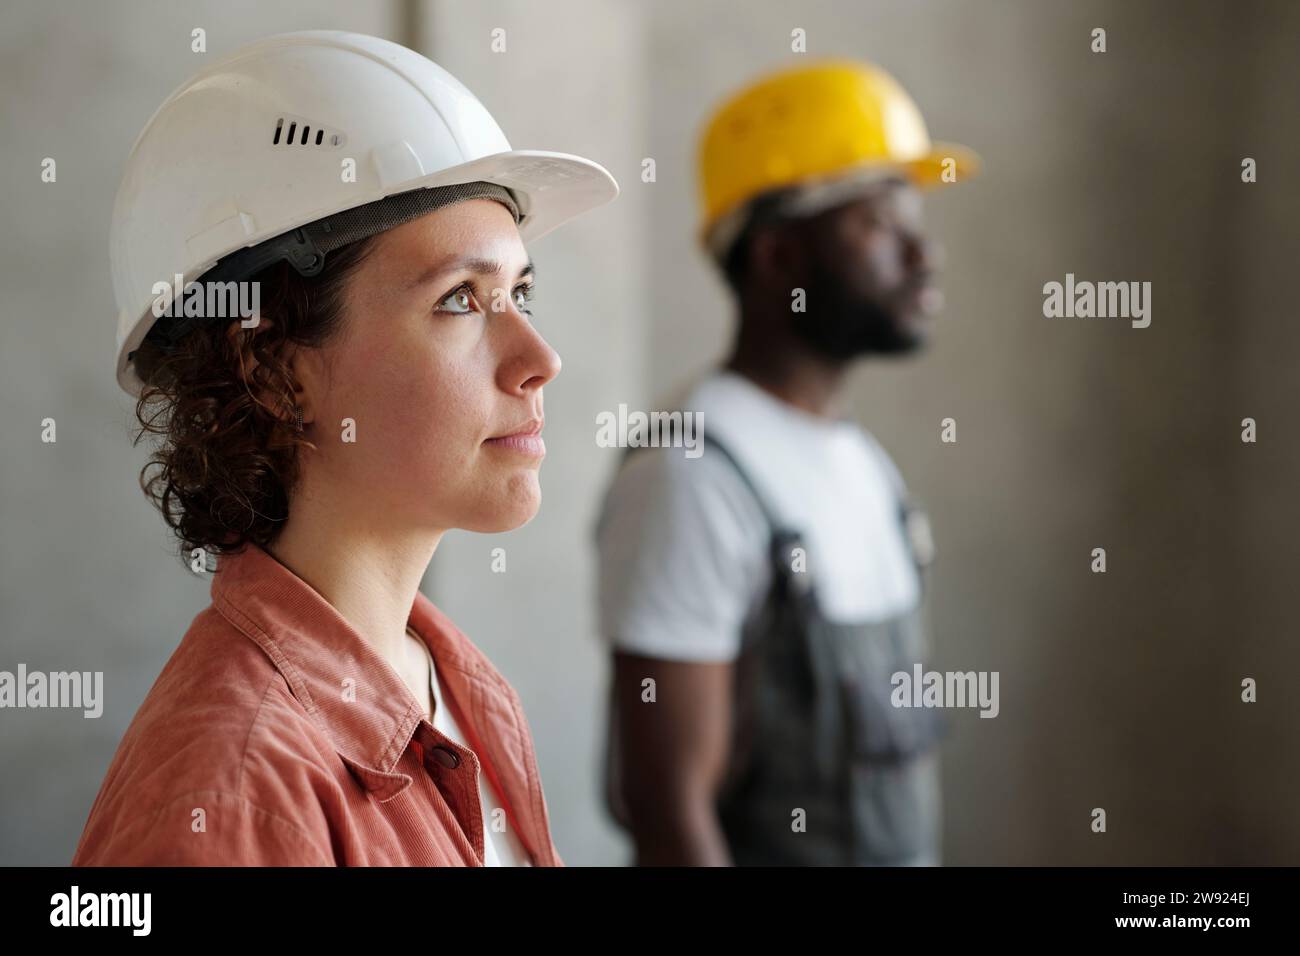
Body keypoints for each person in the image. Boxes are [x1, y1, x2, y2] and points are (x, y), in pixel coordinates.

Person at [73, 31, 617, 866]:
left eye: (521, 293)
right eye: (461, 301)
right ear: (276, 371)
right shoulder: (233, 796)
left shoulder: (461, 689)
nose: (539, 359)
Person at [595, 59, 979, 865]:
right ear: (778, 260)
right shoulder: (692, 473)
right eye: (879, 222)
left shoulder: (863, 464)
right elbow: (668, 810)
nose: (924, 252)